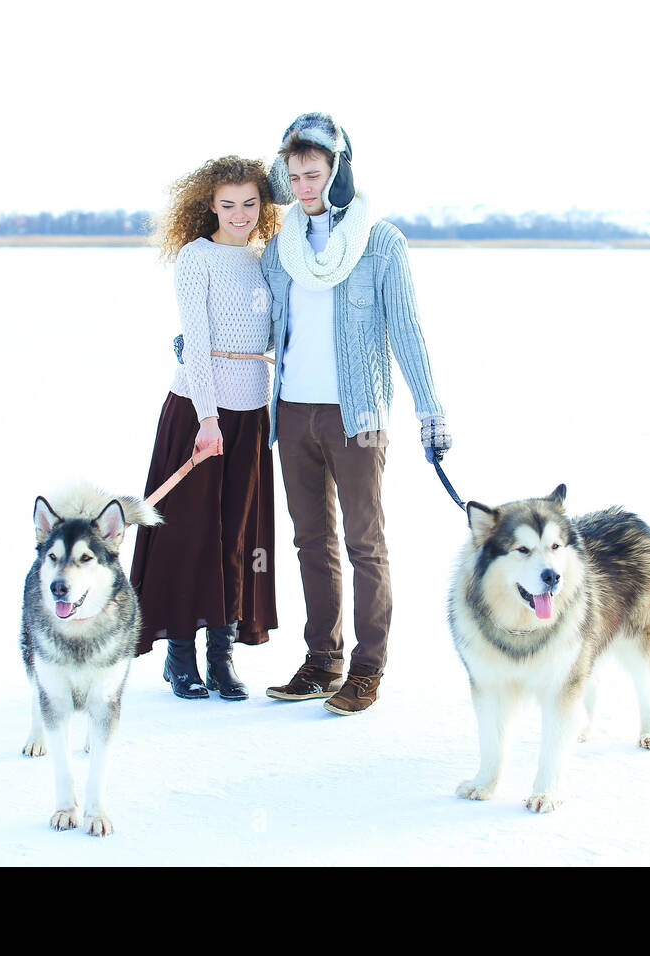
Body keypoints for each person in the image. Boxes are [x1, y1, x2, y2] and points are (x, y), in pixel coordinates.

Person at [259, 113, 451, 715]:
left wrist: (431, 410)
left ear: (337, 170)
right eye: (293, 175)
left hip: (358, 414)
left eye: (314, 173)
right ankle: (323, 660)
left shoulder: (379, 241)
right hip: (292, 413)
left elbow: (407, 331)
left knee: (365, 544)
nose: (303, 186)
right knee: (310, 541)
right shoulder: (281, 247)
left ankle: (368, 669)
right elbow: (263, 322)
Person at [129, 156, 280, 701]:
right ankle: (180, 656)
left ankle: (222, 656)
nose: (240, 214)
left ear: (263, 206)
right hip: (199, 414)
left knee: (237, 540)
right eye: (227, 204)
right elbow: (194, 341)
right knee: (188, 537)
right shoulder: (197, 258)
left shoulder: (269, 260)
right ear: (209, 206)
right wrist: (208, 418)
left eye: (249, 203)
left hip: (252, 416)